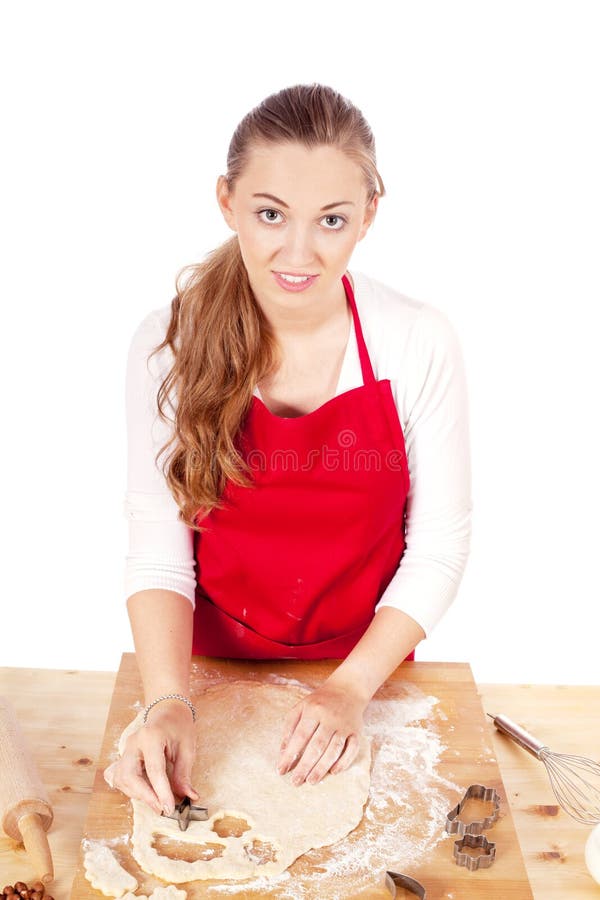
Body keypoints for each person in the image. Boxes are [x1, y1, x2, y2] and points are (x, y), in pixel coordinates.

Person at [104, 83, 472, 819]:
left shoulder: (416, 339)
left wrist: (349, 687)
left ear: (369, 215)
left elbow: (438, 547)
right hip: (201, 665)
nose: (297, 253)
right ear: (226, 200)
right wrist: (168, 702)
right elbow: (158, 554)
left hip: (366, 668)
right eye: (270, 214)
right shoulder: (166, 345)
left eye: (330, 220)